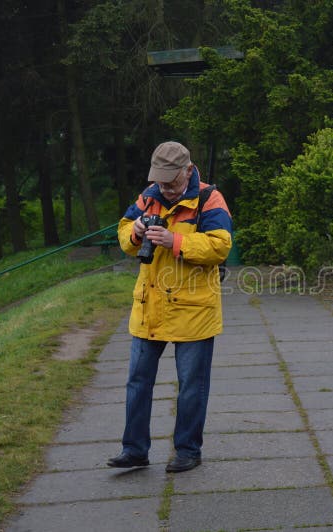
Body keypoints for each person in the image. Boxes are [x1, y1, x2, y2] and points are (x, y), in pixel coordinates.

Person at [107, 141, 232, 473]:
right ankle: (134, 450)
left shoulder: (209, 199)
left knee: (191, 384)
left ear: (188, 171)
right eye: (160, 181)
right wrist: (133, 233)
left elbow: (220, 246)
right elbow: (122, 235)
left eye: (171, 182)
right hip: (151, 306)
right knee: (137, 381)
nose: (164, 188)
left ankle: (188, 450)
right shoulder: (148, 196)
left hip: (194, 309)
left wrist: (175, 241)